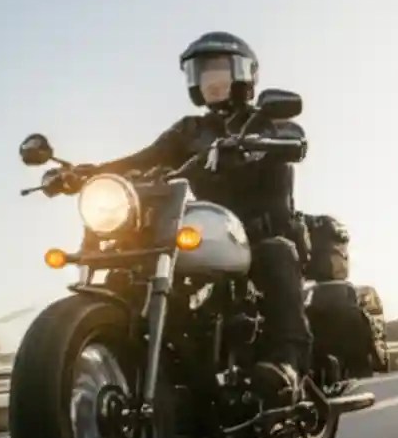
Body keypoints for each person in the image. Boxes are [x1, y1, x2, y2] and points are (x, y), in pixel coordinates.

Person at [75, 31, 313, 407]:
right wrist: (88, 174)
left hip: (262, 231)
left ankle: (287, 362)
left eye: (220, 70)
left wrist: (262, 145)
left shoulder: (263, 122)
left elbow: (294, 137)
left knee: (276, 253)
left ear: (244, 76)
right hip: (210, 234)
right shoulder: (190, 130)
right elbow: (144, 159)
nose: (211, 80)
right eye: (202, 74)